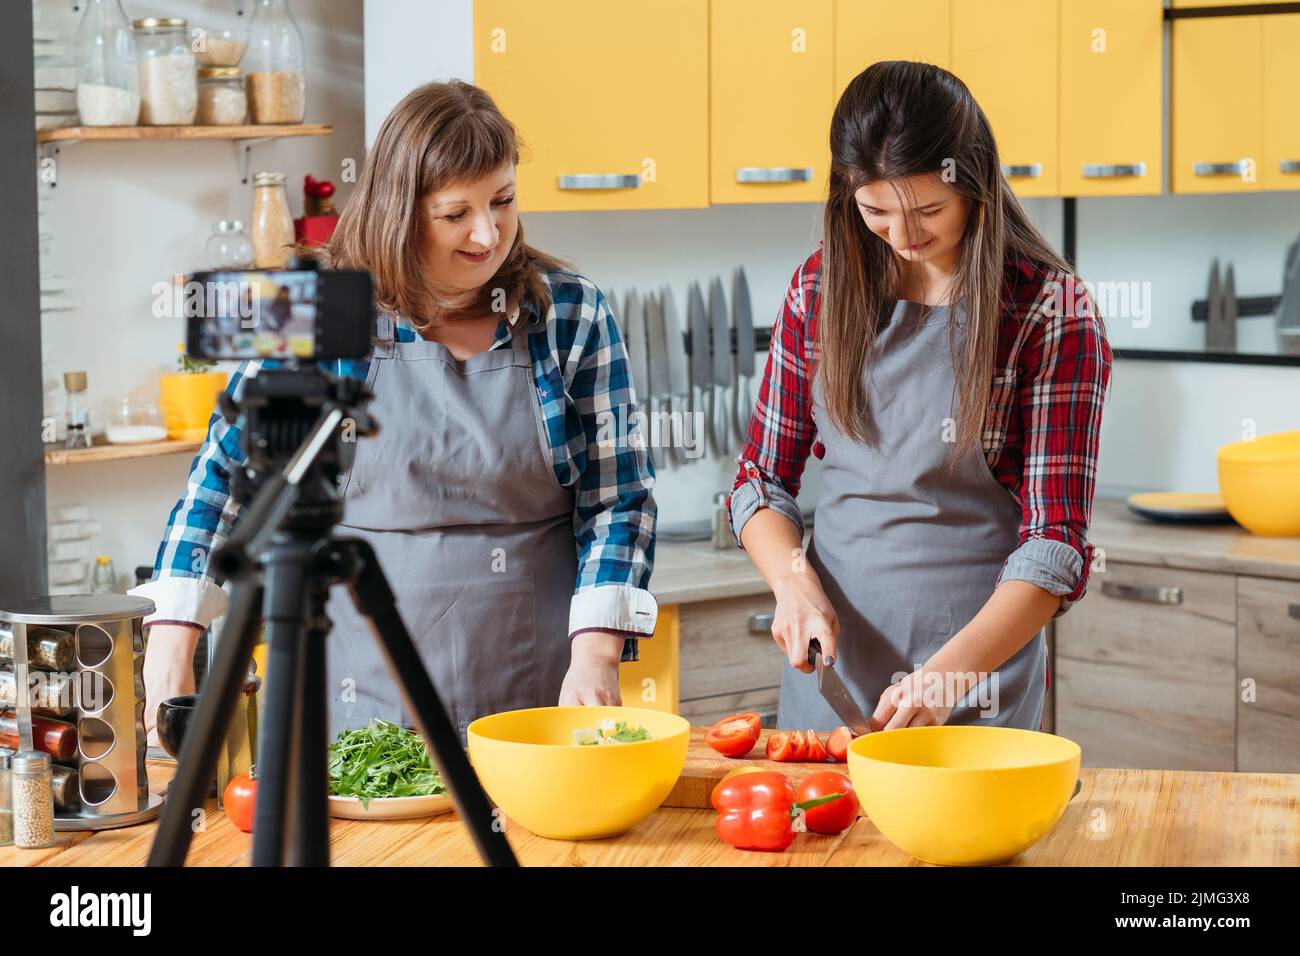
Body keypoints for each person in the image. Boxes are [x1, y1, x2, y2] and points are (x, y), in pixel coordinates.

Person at [135, 80, 657, 744]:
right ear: (399, 212)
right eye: (454, 214)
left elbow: (619, 500)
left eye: (503, 201)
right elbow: (222, 482)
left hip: (539, 703)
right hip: (359, 707)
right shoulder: (312, 308)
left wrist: (597, 655)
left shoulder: (571, 314)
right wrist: (173, 646)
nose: (487, 233)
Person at [730, 61, 1112, 733]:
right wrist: (793, 584)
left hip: (975, 678)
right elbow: (760, 479)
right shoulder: (817, 290)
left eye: (928, 210)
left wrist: (948, 676)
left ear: (975, 181)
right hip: (833, 676)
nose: (903, 237)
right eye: (876, 211)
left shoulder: (1050, 311)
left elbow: (1055, 544)